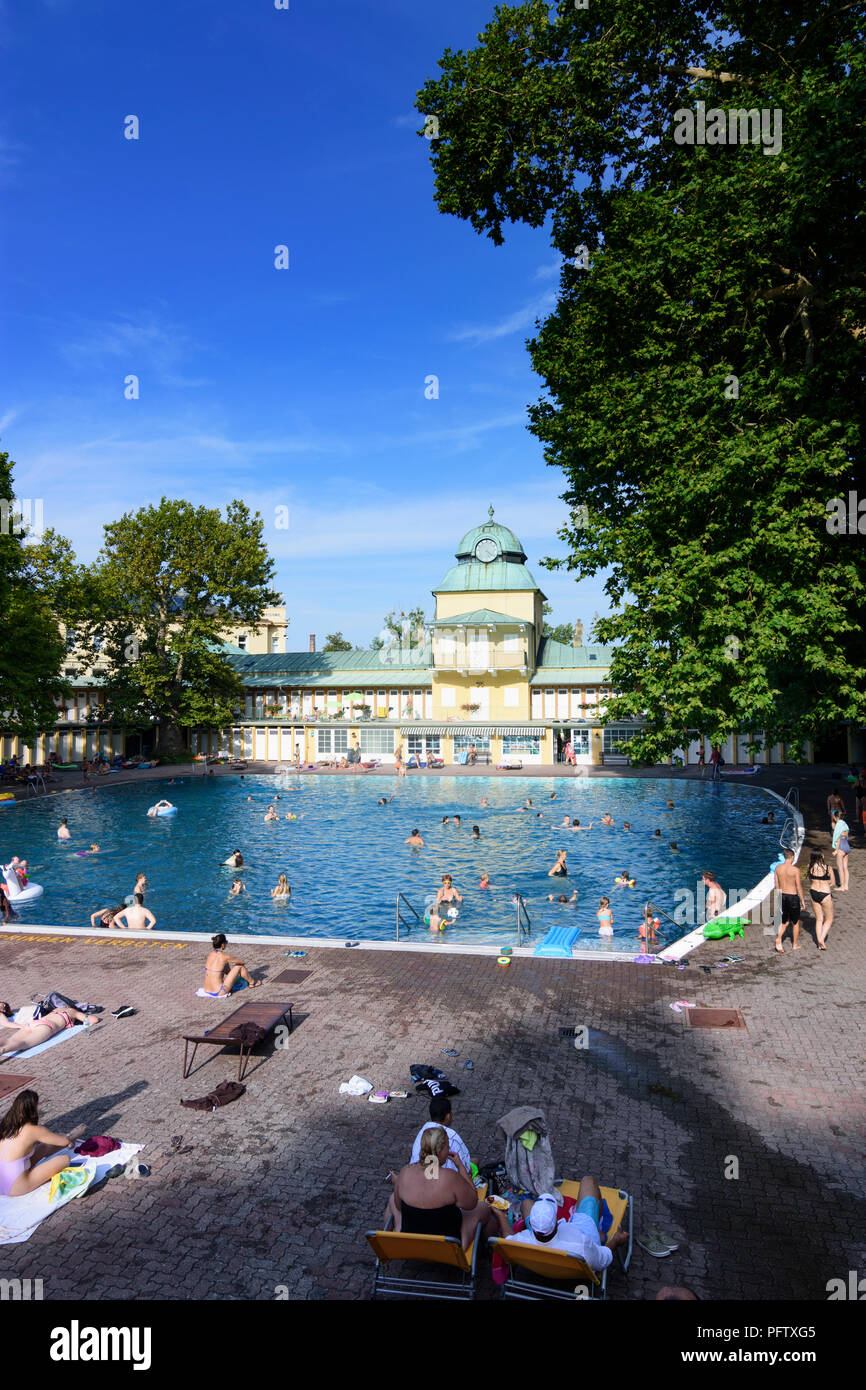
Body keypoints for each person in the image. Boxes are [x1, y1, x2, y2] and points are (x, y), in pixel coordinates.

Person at [387, 1126, 497, 1250]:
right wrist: (460, 1166)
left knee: (392, 1199)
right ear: (439, 1152)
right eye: (447, 1146)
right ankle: (491, 1252)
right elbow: (472, 1202)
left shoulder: (404, 1173)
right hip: (449, 1246)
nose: (449, 1148)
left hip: (413, 1239)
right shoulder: (451, 1178)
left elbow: (398, 1206)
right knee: (484, 1207)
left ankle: (392, 1240)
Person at [494, 1180, 629, 1269]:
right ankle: (597, 1231)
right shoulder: (581, 1246)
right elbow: (604, 1258)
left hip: (537, 1253)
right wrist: (616, 1240)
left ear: (531, 1225)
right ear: (558, 1223)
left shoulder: (521, 1241)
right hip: (580, 1233)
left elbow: (507, 1239)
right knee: (589, 1181)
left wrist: (501, 1216)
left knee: (526, 1204)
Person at [0, 1090, 85, 1197]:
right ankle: (39, 1178)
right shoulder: (33, 1130)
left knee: (44, 1147)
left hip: (3, 1180)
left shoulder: (7, 1126)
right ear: (32, 1109)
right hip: (16, 1187)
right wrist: (77, 1134)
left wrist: (66, 1140)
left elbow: (55, 1141)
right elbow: (64, 1141)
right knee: (64, 1159)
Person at [0, 1002, 97, 1057]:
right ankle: (2, 1051)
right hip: (46, 1026)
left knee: (10, 1040)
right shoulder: (72, 1012)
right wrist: (80, 1015)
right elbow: (94, 1020)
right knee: (25, 1044)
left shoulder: (56, 1009)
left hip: (32, 1023)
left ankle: (3, 1046)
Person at [409, 1095, 471, 1173]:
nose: (448, 1147)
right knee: (474, 1162)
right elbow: (467, 1170)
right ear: (448, 1116)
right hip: (443, 1178)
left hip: (421, 1175)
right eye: (447, 1146)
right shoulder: (451, 1136)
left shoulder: (423, 1131)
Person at [773, 849, 806, 953]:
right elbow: (799, 886)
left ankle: (779, 938)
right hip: (792, 897)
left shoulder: (778, 868)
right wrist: (802, 900)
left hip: (782, 896)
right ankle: (795, 944)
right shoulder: (795, 870)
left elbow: (776, 884)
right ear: (792, 857)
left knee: (785, 921)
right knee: (795, 922)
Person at [807, 850, 834, 950]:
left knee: (819, 919)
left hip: (813, 892)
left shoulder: (809, 867)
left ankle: (819, 943)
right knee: (829, 919)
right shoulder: (828, 868)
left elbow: (810, 880)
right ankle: (821, 939)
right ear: (822, 856)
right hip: (825, 894)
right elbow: (833, 883)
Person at [831, 811, 850, 892]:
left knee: (840, 868)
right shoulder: (845, 824)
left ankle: (842, 886)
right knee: (845, 867)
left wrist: (836, 850)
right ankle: (846, 886)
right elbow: (845, 836)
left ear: (836, 817)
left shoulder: (838, 824)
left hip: (841, 846)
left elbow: (838, 838)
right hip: (847, 845)